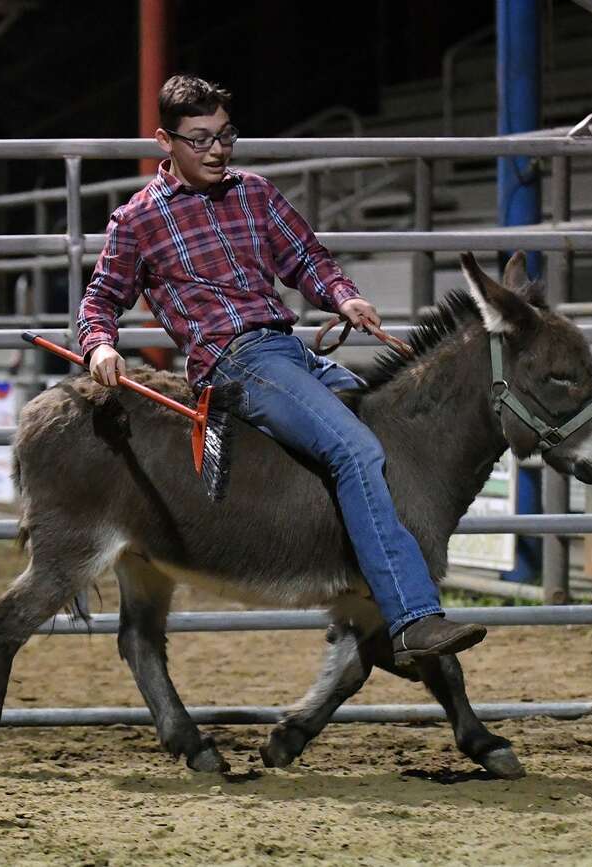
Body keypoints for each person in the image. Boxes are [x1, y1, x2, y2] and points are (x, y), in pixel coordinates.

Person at [77, 73, 485, 663]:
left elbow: (306, 259)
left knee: (390, 433)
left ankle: (359, 602)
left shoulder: (255, 193)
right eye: (200, 139)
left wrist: (342, 296)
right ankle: (411, 617)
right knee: (355, 449)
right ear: (165, 140)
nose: (217, 150)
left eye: (225, 135)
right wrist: (98, 346)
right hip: (235, 363)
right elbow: (99, 301)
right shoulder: (137, 222)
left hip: (292, 351)